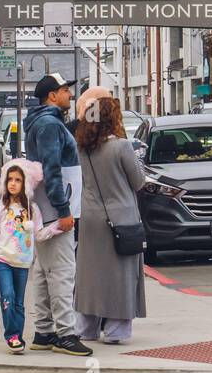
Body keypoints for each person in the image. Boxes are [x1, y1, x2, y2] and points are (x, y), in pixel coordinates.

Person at [24, 73, 92, 357]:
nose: (70, 95)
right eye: (65, 90)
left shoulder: (40, 122)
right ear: (52, 95)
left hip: (44, 210)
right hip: (56, 210)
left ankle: (44, 331)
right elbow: (52, 170)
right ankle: (66, 334)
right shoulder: (51, 124)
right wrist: (64, 210)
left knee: (43, 272)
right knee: (63, 273)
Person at [73, 88, 147, 345]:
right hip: (121, 217)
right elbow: (138, 181)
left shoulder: (82, 148)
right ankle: (116, 330)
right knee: (121, 274)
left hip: (90, 216)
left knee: (90, 273)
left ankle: (86, 327)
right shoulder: (121, 146)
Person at [0, 159, 43, 353]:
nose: (13, 183)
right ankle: (12, 336)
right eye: (10, 179)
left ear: (25, 184)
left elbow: (39, 233)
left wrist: (57, 227)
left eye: (18, 180)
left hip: (22, 262)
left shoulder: (32, 209)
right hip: (2, 259)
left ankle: (18, 337)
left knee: (19, 303)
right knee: (7, 295)